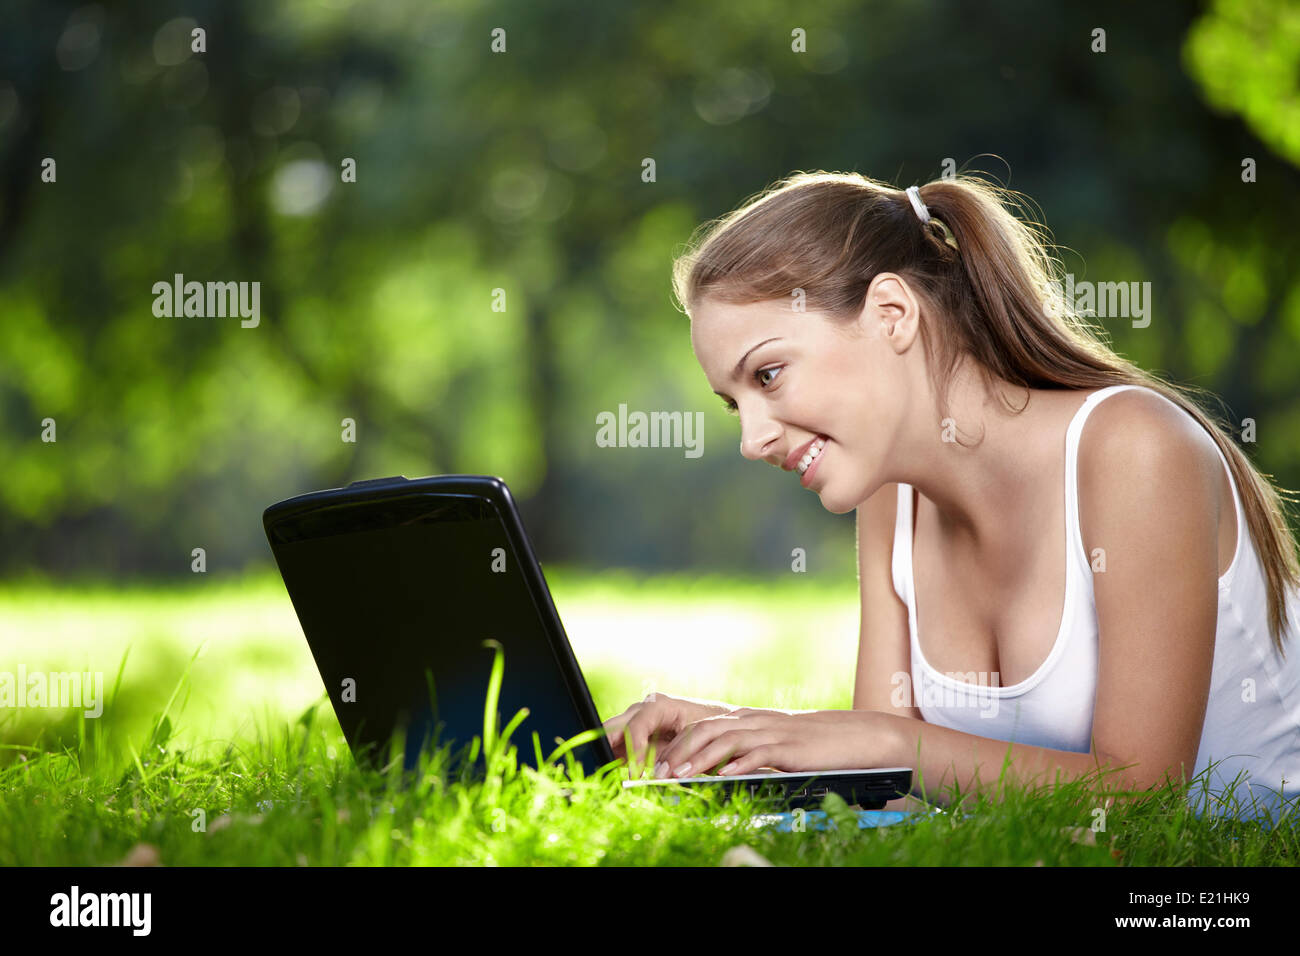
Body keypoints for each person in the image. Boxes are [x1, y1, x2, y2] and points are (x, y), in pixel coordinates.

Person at [600, 170, 1300, 824]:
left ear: (892, 313)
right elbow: (886, 792)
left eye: (770, 375)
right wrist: (732, 736)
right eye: (732, 404)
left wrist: (886, 741)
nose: (753, 439)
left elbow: (1142, 794)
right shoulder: (891, 495)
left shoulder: (1134, 449)